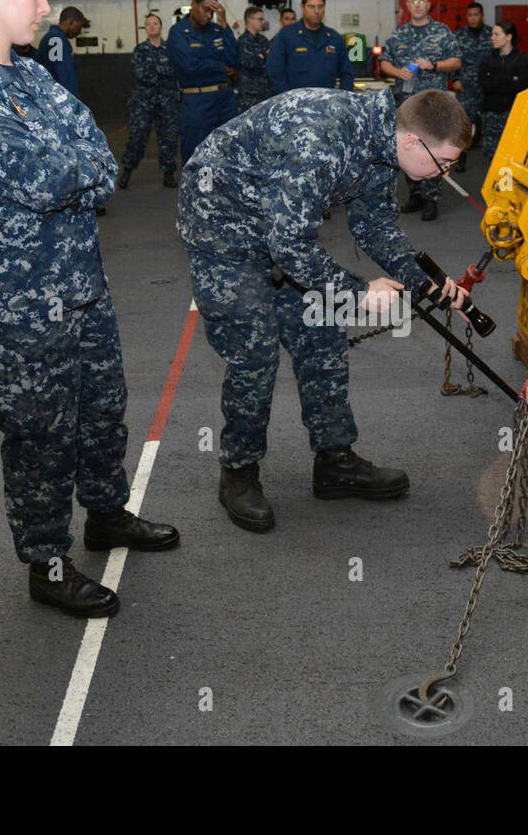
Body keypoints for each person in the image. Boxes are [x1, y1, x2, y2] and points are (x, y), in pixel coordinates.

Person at [0, 0, 178, 618]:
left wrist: (74, 168)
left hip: (79, 284)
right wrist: (72, 168)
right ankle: (46, 560)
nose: (45, 5)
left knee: (101, 406)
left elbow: (98, 155)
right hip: (17, 302)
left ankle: (104, 513)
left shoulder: (31, 76)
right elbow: (44, 179)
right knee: (39, 432)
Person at [177, 88, 472, 532]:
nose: (442, 175)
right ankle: (238, 472)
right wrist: (357, 293)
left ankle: (335, 461)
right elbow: (288, 244)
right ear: (414, 142)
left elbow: (373, 225)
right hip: (224, 232)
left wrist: (427, 283)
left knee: (322, 333)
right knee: (255, 353)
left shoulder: (382, 142)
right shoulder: (322, 135)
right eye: (443, 163)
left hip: (279, 227)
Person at [379, 0, 462, 221]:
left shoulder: (441, 32)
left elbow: (456, 61)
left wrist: (434, 65)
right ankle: (414, 195)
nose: (417, 5)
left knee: (434, 147)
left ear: (428, 5)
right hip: (406, 104)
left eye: (421, 1)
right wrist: (398, 71)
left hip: (433, 106)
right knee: (408, 147)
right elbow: (384, 62)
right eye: (413, 1)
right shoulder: (399, 34)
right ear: (407, 5)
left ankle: (431, 199)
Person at [167, 0, 239, 164]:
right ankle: (201, 189)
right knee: (198, 152)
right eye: (205, 9)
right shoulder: (178, 32)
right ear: (193, 5)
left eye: (212, 11)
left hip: (224, 99)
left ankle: (223, 189)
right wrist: (221, 67)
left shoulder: (217, 30)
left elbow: (235, 59)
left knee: (228, 148)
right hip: (197, 100)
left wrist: (224, 23)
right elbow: (189, 67)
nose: (208, 14)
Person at [119, 12, 180, 189]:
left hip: (167, 101)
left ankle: (169, 174)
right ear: (146, 29)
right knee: (137, 137)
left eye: (155, 23)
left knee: (168, 137)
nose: (152, 26)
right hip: (143, 102)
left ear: (161, 27)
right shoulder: (140, 50)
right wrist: (162, 71)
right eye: (149, 24)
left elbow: (175, 71)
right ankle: (127, 172)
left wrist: (154, 69)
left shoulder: (171, 49)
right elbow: (141, 74)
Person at [265, 0, 353, 96]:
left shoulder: (334, 38)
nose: (316, 11)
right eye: (311, 7)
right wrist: (288, 99)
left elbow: (346, 73)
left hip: (326, 104)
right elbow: (275, 72)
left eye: (320, 7)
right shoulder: (287, 35)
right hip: (295, 105)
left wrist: (342, 98)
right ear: (302, 8)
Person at [476, 21, 528, 160]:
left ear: (508, 37)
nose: (492, 38)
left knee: (512, 156)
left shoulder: (522, 60)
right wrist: (509, 79)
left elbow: (522, 86)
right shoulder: (487, 59)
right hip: (491, 115)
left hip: (513, 114)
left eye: (497, 34)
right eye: (492, 34)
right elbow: (484, 83)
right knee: (491, 155)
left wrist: (495, 79)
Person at [451, 2, 490, 171]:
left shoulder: (492, 34)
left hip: (488, 87)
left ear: (482, 16)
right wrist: (454, 79)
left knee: (490, 124)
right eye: (470, 15)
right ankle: (460, 158)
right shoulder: (459, 35)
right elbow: (452, 59)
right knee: (464, 125)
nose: (473, 18)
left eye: (476, 15)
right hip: (466, 87)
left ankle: (490, 159)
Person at [36, 6, 89, 96]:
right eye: (79, 27)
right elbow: (61, 72)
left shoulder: (53, 38)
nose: (80, 32)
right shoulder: (56, 40)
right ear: (71, 22)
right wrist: (71, 100)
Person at [236, 5, 271, 112]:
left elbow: (271, 61)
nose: (263, 22)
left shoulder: (263, 40)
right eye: (260, 19)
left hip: (265, 92)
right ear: (249, 20)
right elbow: (251, 64)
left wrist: (262, 57)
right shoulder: (242, 41)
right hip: (249, 95)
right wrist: (264, 56)